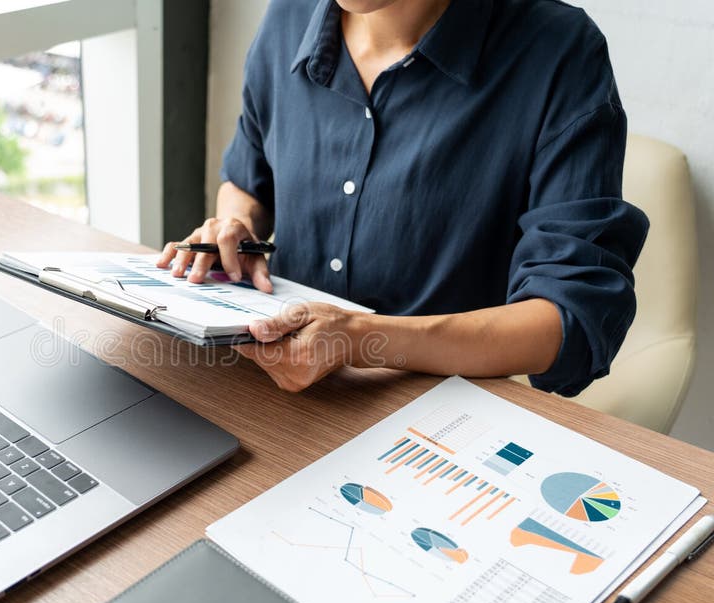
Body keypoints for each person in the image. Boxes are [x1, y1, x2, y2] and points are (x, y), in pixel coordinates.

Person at [157, 0, 648, 394]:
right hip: (272, 388)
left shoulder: (558, 50)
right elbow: (249, 175)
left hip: (439, 414)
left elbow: (569, 318)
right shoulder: (288, 14)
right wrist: (235, 226)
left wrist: (360, 340)